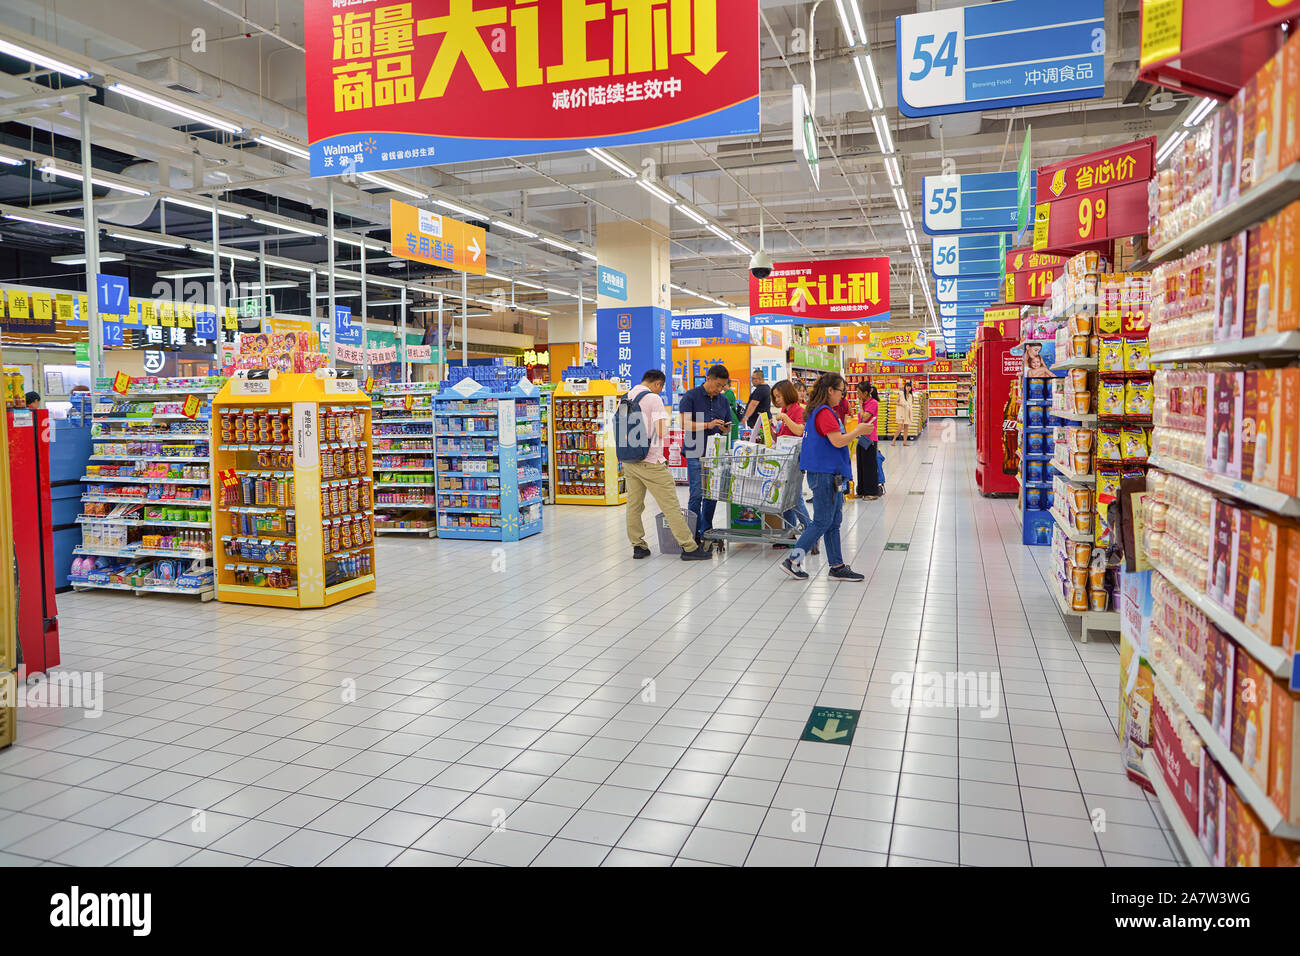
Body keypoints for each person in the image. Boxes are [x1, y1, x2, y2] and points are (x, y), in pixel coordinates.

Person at [780, 372, 871, 583]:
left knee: (833, 521)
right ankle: (792, 561)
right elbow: (838, 441)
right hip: (824, 474)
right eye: (841, 391)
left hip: (830, 472)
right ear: (830, 390)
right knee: (822, 520)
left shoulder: (819, 411)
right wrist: (858, 430)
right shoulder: (823, 413)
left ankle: (836, 566)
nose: (843, 396)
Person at [622, 370, 710, 562]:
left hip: (629, 460)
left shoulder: (626, 396)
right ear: (658, 384)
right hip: (651, 461)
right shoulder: (654, 399)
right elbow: (661, 432)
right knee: (670, 506)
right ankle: (689, 547)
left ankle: (638, 546)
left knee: (634, 505)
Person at [679, 364, 732, 547]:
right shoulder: (691, 396)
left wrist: (725, 429)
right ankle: (693, 535)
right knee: (696, 494)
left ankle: (706, 530)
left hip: (715, 453)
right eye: (717, 385)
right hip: (695, 451)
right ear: (708, 379)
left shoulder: (723, 401)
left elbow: (726, 429)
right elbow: (685, 424)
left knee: (712, 495)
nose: (719, 389)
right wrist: (708, 425)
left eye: (722, 386)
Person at [768, 379, 814, 548]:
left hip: (796, 461)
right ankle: (789, 535)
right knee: (787, 498)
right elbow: (781, 436)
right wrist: (769, 430)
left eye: (779, 396)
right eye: (775, 397)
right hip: (786, 460)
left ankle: (811, 533)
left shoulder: (797, 410)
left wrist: (785, 418)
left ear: (787, 393)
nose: (777, 400)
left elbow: (800, 430)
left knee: (794, 498)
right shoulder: (785, 410)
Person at [856, 382, 881, 499]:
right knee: (861, 464)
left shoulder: (873, 403)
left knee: (869, 465)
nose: (857, 395)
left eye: (859, 393)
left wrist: (860, 406)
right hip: (861, 437)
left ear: (866, 393)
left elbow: (864, 417)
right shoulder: (865, 402)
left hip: (870, 439)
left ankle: (871, 492)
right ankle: (861, 490)